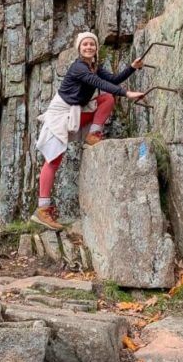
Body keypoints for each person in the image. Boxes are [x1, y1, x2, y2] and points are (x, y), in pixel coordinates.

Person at [32, 31, 144, 230]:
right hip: (61, 114)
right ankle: (42, 209)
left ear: (96, 48)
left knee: (107, 98)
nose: (89, 47)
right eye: (85, 45)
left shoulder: (94, 67)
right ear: (79, 48)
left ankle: (93, 134)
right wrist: (127, 93)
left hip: (77, 110)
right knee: (53, 160)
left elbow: (113, 80)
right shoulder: (78, 68)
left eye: (92, 44)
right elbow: (99, 84)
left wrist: (131, 69)